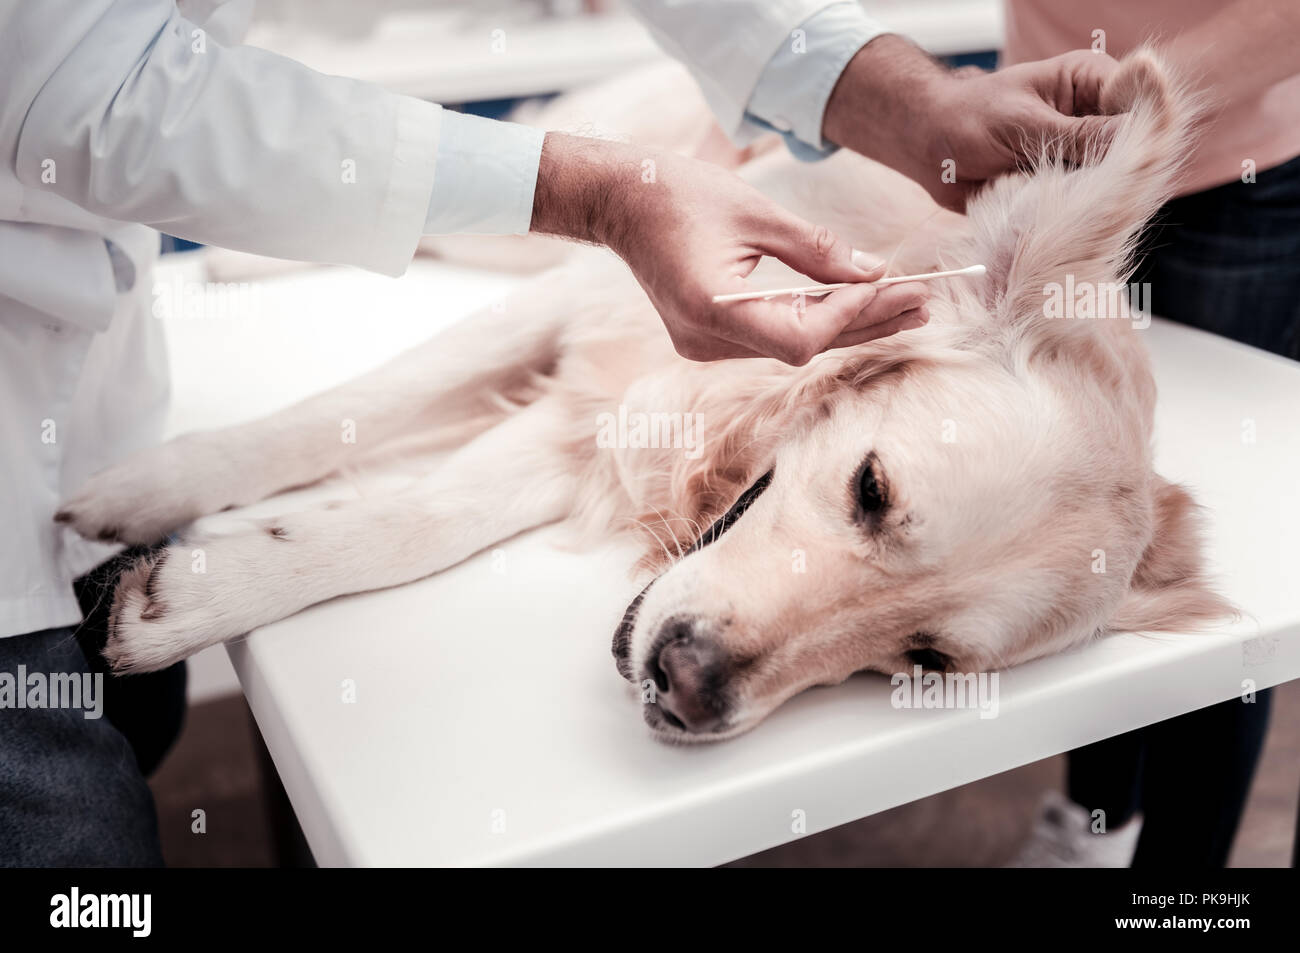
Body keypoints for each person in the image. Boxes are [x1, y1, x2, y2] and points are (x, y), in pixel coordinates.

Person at [0, 0, 1123, 865]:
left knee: (128, 720)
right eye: (872, 500)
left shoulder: (1008, 467)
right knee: (79, 833)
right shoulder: (931, 326)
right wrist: (596, 195)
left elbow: (585, 429)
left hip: (78, 354)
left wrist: (894, 91)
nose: (722, 677)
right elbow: (76, 90)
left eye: (919, 654)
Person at [998, 0, 1300, 867]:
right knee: (1080, 519)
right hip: (1048, 148)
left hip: (1240, 165)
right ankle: (1094, 823)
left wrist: (1130, 120)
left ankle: (1181, 895)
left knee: (1205, 549)